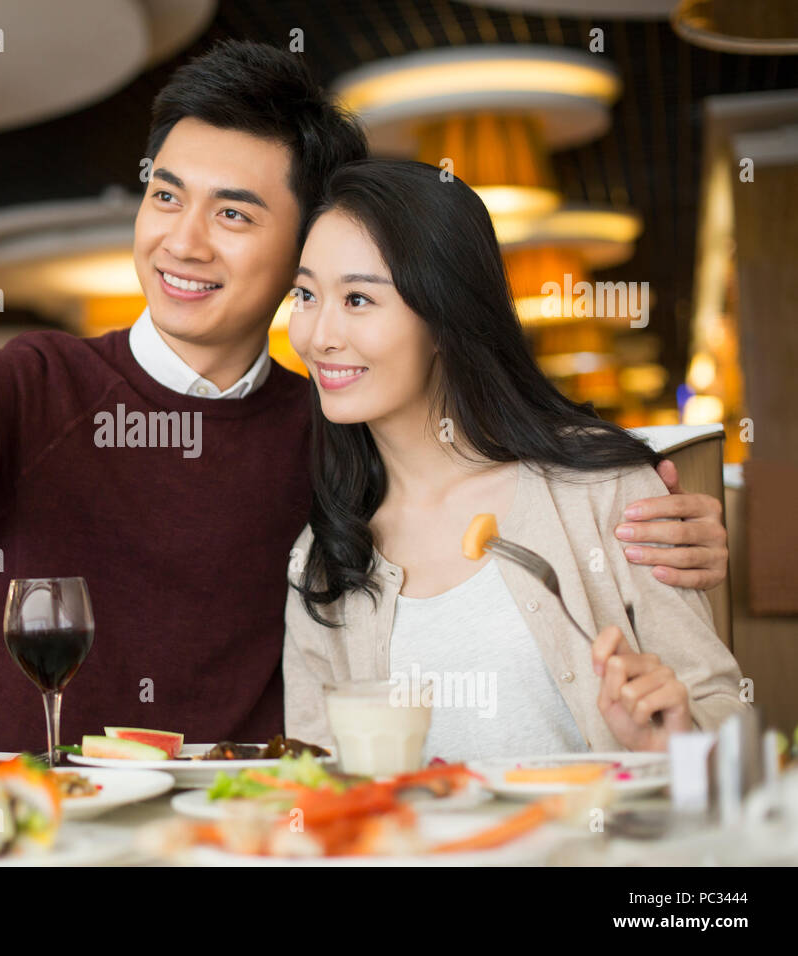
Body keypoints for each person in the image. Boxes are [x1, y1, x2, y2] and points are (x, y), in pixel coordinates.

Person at [0, 41, 728, 753]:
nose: (182, 239)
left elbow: (479, 469)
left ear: (306, 242)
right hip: (40, 838)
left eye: (234, 212)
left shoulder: (339, 429)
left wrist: (644, 517)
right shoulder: (33, 389)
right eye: (166, 194)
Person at [282, 159, 746, 757]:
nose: (319, 334)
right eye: (305, 293)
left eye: (358, 299)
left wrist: (677, 738)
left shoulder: (606, 492)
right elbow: (313, 785)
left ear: (445, 317)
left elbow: (723, 711)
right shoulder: (322, 562)